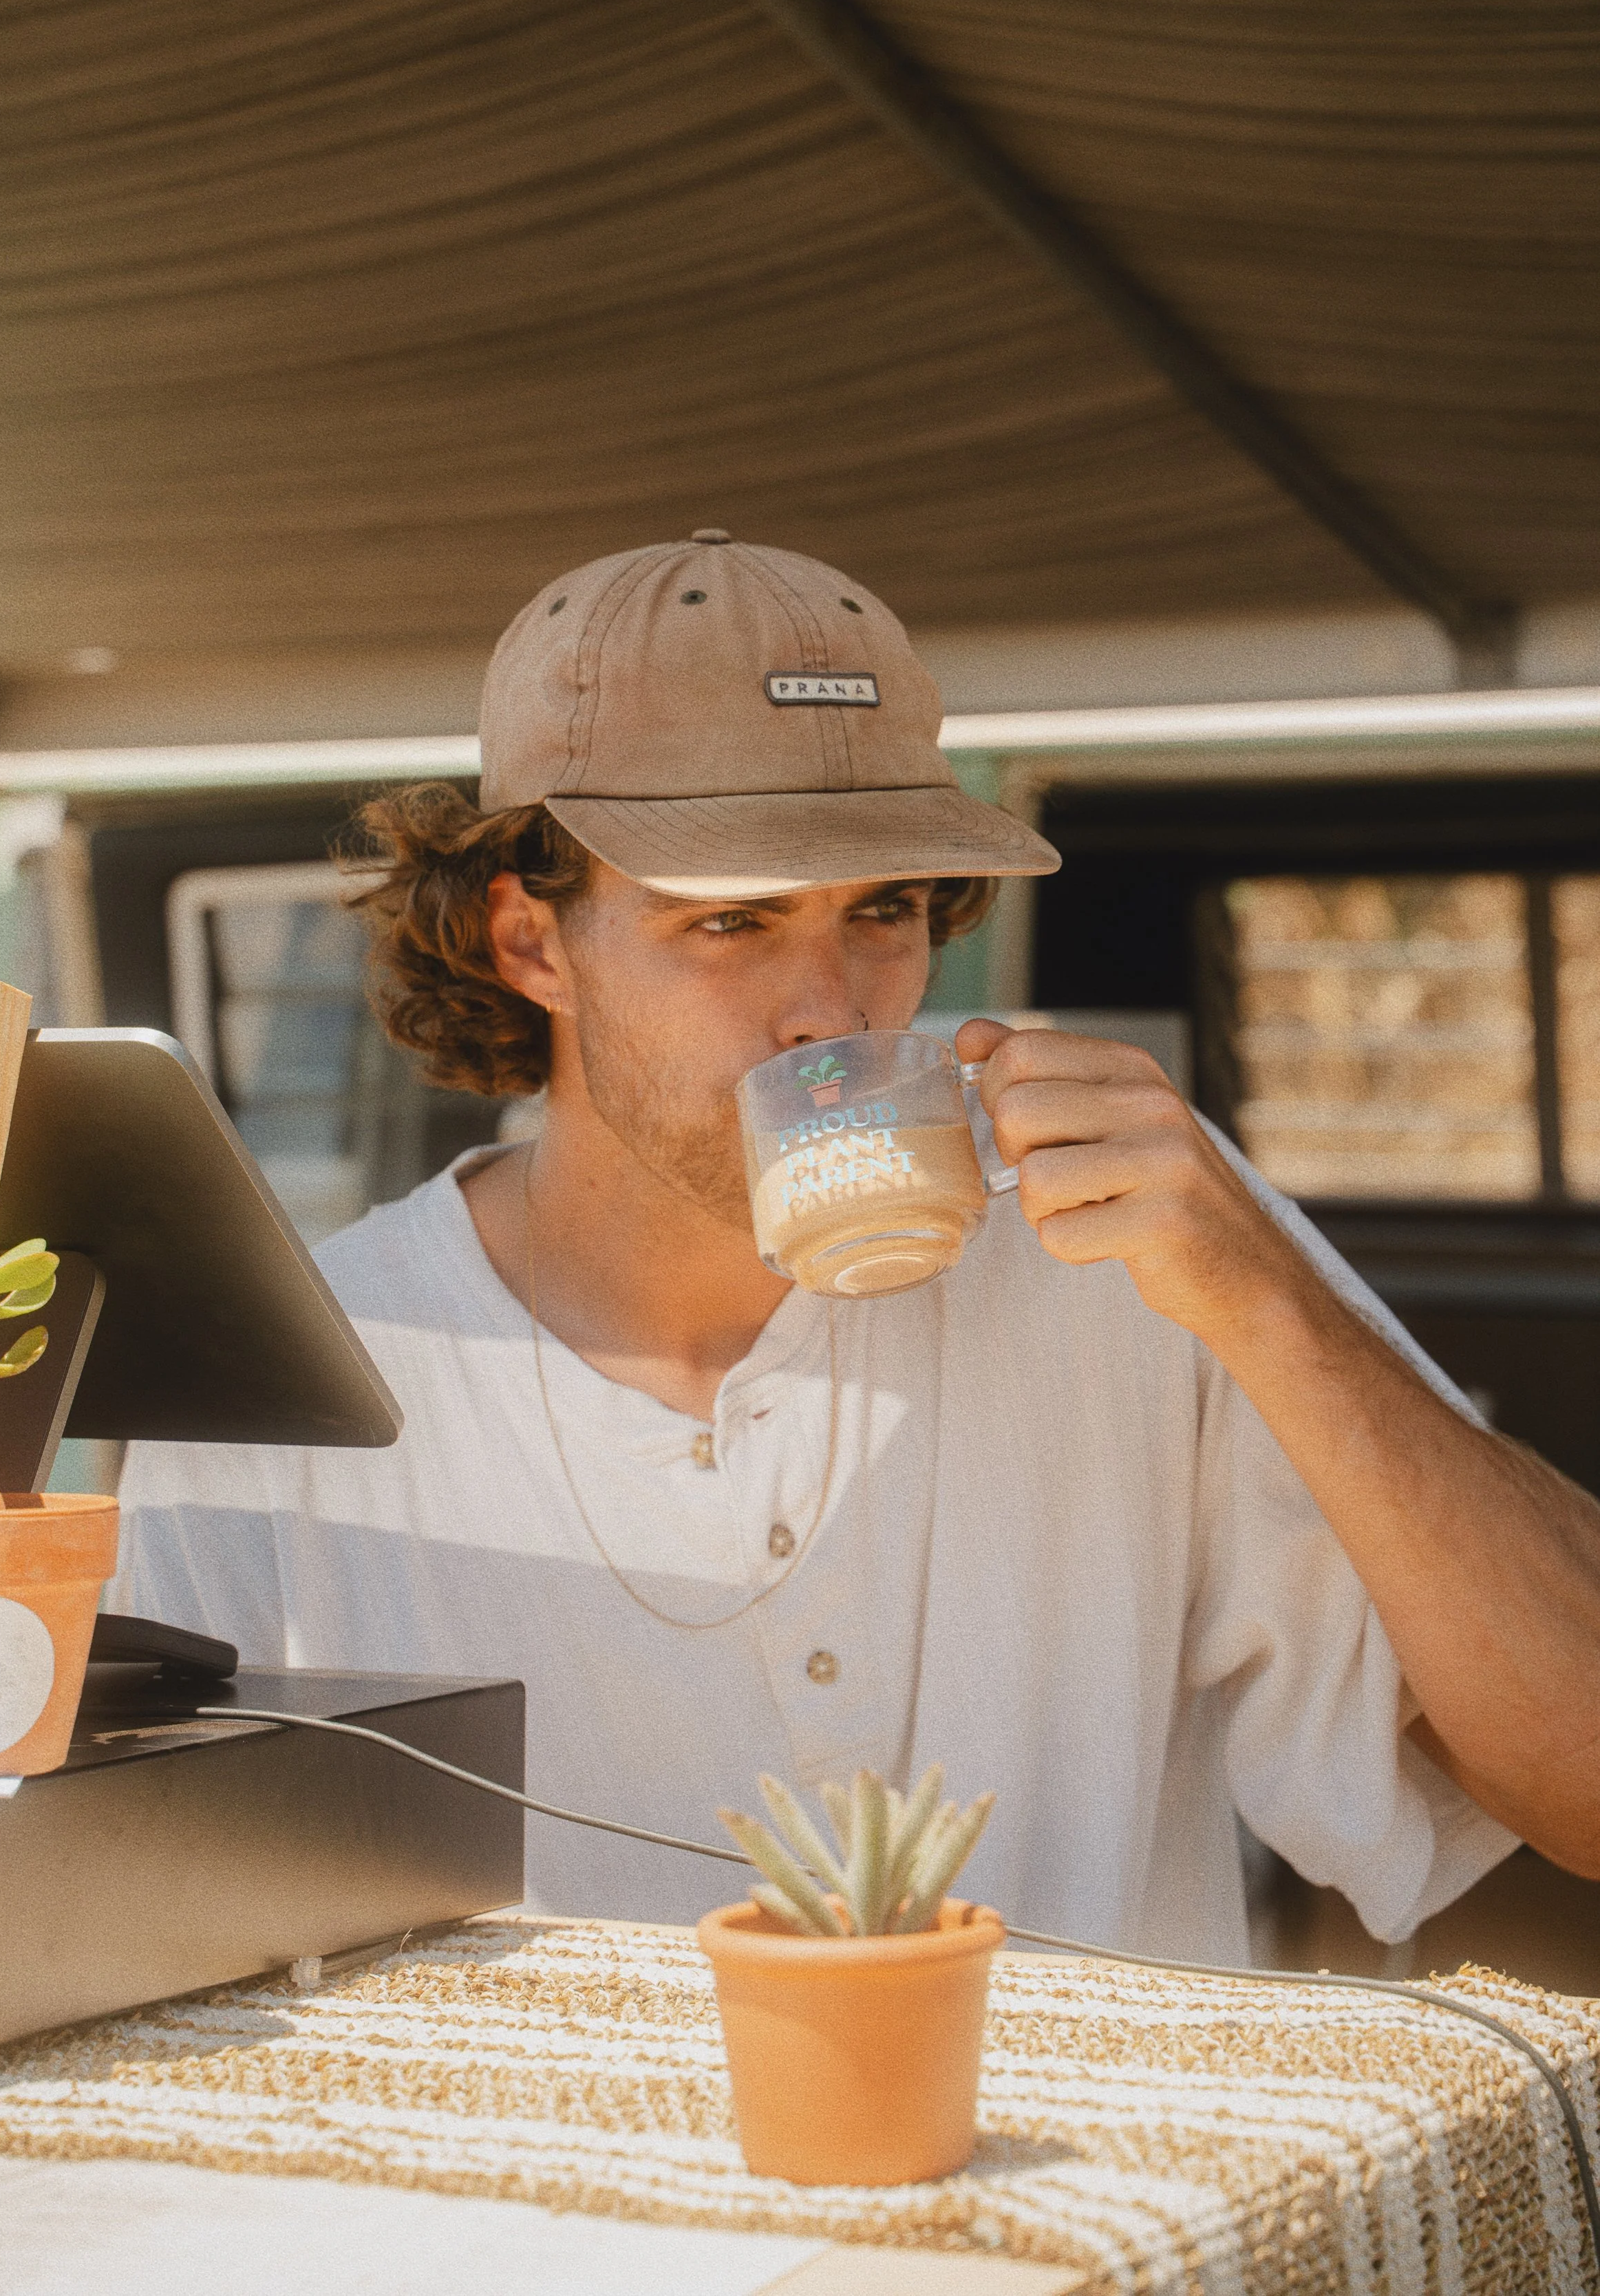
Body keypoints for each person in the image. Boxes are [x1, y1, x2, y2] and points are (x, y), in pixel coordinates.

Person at [114, 536, 1600, 1960]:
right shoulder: (294, 1382)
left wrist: (1271, 1300)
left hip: (1089, 2217)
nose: (833, 1008)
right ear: (533, 944)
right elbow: (157, 1936)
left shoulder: (1143, 1271)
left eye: (881, 908)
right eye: (734, 921)